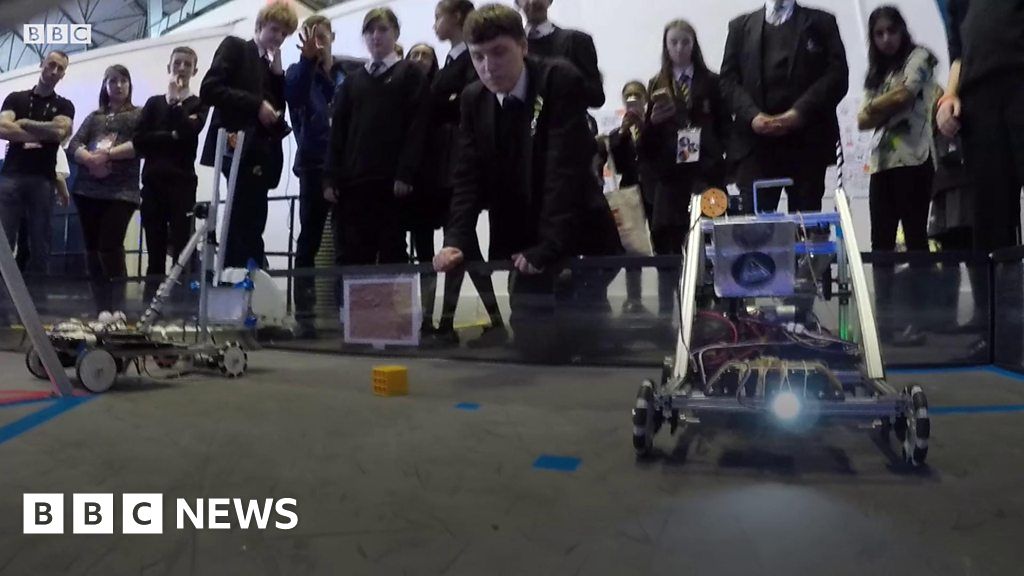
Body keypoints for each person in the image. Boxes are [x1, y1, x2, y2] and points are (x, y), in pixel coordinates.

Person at [434, 3, 614, 360]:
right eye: (478, 56)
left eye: (499, 52)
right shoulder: (473, 99)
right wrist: (454, 240)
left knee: (588, 343)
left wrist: (547, 248)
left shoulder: (560, 79)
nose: (488, 66)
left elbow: (564, 171)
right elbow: (467, 174)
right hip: (526, 240)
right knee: (534, 345)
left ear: (524, 47)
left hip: (578, 231)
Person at [856, 7, 939, 346]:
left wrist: (878, 107)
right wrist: (883, 105)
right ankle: (885, 323)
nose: (886, 38)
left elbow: (906, 95)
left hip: (916, 161)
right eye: (879, 33)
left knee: (917, 242)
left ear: (902, 30)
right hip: (882, 165)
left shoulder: (922, 56)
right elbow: (861, 120)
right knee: (881, 246)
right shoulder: (877, 72)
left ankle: (920, 321)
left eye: (891, 31)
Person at [428, 0, 509, 347]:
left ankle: (454, 322)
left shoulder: (469, 61)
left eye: (439, 17)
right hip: (446, 165)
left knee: (461, 242)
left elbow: (459, 106)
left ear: (457, 17)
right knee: (463, 244)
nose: (435, 24)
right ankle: (471, 320)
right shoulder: (451, 62)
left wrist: (444, 102)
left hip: (465, 164)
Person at [720, 0, 848, 214]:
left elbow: (837, 76)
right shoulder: (739, 27)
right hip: (754, 147)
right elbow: (727, 82)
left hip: (806, 144)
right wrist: (752, 116)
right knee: (754, 234)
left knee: (806, 229)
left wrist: (799, 112)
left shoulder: (822, 23)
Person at [324, 8, 429, 266]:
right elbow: (338, 131)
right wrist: (330, 177)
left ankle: (396, 309)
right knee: (355, 255)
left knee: (393, 250)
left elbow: (418, 127)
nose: (376, 36)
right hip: (355, 183)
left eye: (382, 29)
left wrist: (406, 172)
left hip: (392, 183)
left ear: (396, 33)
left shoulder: (411, 74)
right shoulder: (351, 82)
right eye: (370, 31)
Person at [639, 20, 729, 317]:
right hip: (670, 178)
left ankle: (709, 310)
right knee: (667, 244)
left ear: (694, 45)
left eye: (685, 42)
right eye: (673, 42)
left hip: (706, 175)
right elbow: (647, 144)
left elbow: (724, 127)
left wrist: (722, 164)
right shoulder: (656, 85)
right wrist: (651, 122)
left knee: (709, 242)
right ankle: (669, 310)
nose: (679, 48)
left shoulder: (712, 82)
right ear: (666, 47)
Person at [200, 0, 298, 269]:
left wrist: (278, 76)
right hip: (235, 143)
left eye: (283, 34)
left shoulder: (269, 66)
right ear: (261, 25)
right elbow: (209, 89)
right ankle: (239, 270)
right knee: (242, 212)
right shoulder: (236, 48)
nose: (278, 37)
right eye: (274, 29)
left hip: (260, 151)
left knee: (254, 213)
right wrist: (256, 104)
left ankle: (248, 269)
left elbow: (277, 108)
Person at [285, 15, 363, 338]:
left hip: (348, 167)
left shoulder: (349, 73)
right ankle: (304, 315)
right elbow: (295, 97)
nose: (319, 41)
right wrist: (307, 61)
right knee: (309, 241)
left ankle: (350, 315)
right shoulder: (298, 73)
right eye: (312, 37)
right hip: (314, 166)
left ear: (333, 35)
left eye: (323, 36)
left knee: (349, 242)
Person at [937, 0, 1024, 253]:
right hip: (978, 98)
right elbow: (958, 53)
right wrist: (950, 95)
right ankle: (996, 292)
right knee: (990, 211)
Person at [134, 47, 210, 302]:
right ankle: (149, 309)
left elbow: (190, 133)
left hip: (182, 186)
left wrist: (177, 104)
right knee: (154, 251)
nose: (181, 68)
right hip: (153, 185)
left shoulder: (198, 103)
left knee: (182, 251)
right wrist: (173, 135)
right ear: (169, 67)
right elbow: (140, 141)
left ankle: (182, 311)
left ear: (194, 71)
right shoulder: (153, 103)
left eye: (187, 64)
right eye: (177, 63)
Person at [67, 64, 142, 314]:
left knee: (110, 246)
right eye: (112, 81)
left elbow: (141, 143)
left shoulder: (138, 114)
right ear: (105, 86)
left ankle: (118, 307)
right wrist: (89, 159)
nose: (118, 85)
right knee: (91, 250)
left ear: (129, 85)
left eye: (123, 80)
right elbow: (74, 144)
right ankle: (101, 309)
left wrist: (107, 156)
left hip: (122, 192)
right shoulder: (94, 117)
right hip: (87, 191)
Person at [0, 50, 74, 281]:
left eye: (60, 68)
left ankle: (38, 299)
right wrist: (42, 134)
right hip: (11, 177)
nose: (54, 71)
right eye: (51, 64)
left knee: (40, 242)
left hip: (43, 180)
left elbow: (61, 131)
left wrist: (24, 124)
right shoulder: (16, 98)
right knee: (4, 240)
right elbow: (2, 128)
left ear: (63, 75)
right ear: (42, 63)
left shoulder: (65, 105)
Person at [607, 80, 654, 314]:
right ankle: (634, 299)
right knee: (632, 246)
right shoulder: (619, 133)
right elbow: (614, 162)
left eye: (637, 95)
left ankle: (672, 295)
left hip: (655, 189)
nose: (633, 99)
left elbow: (658, 152)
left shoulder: (655, 127)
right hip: (630, 189)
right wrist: (625, 131)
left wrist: (643, 127)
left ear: (645, 100)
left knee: (663, 242)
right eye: (628, 96)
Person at [514, 0, 604, 109]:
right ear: (518, 3)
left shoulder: (577, 41)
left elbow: (596, 97)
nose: (533, 2)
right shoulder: (511, 47)